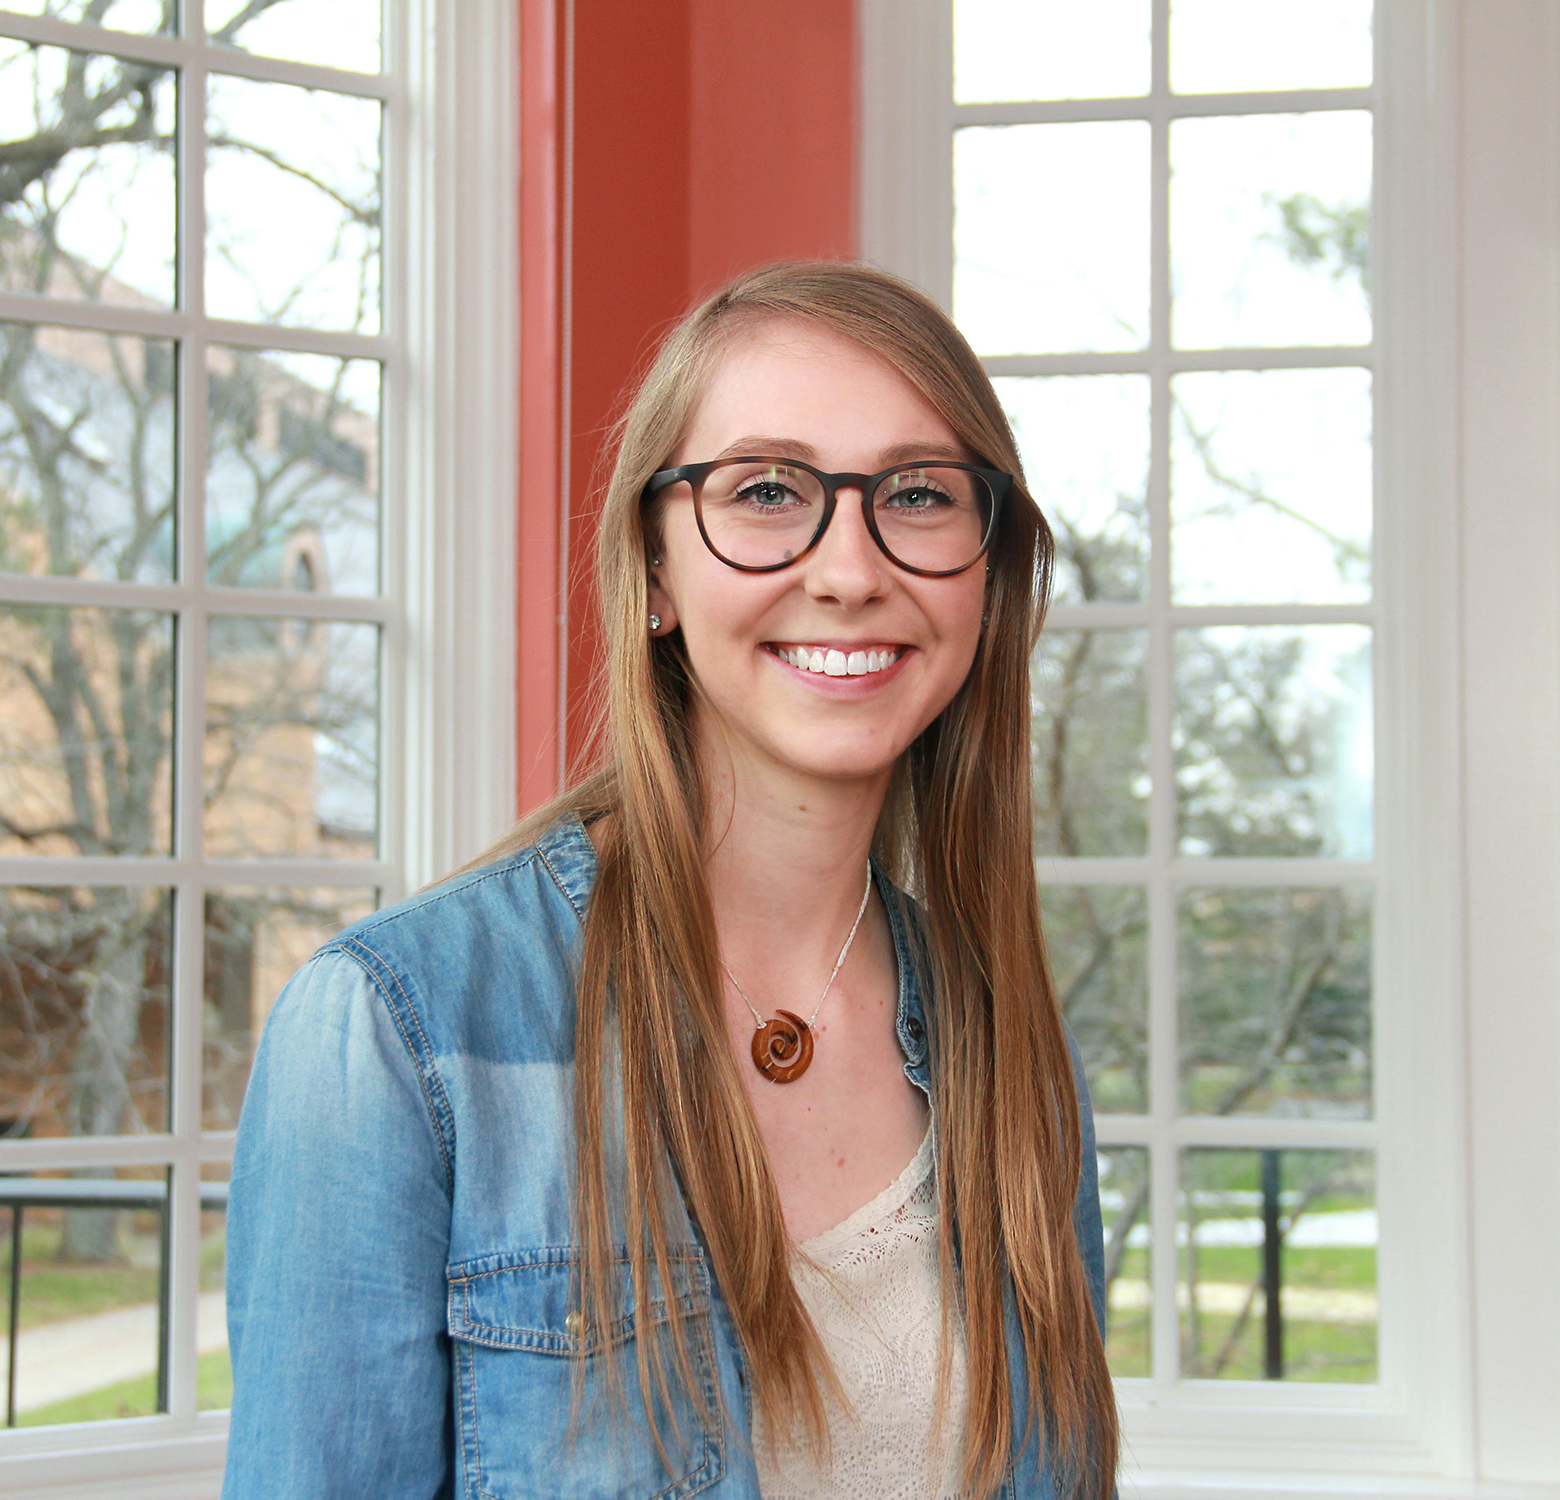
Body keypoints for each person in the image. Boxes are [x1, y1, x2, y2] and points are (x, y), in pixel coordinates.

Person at [222, 261, 1119, 1500]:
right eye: (765, 491)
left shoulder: (1014, 1047)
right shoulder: (394, 1034)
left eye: (916, 494)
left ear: (986, 570)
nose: (851, 570)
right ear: (654, 573)